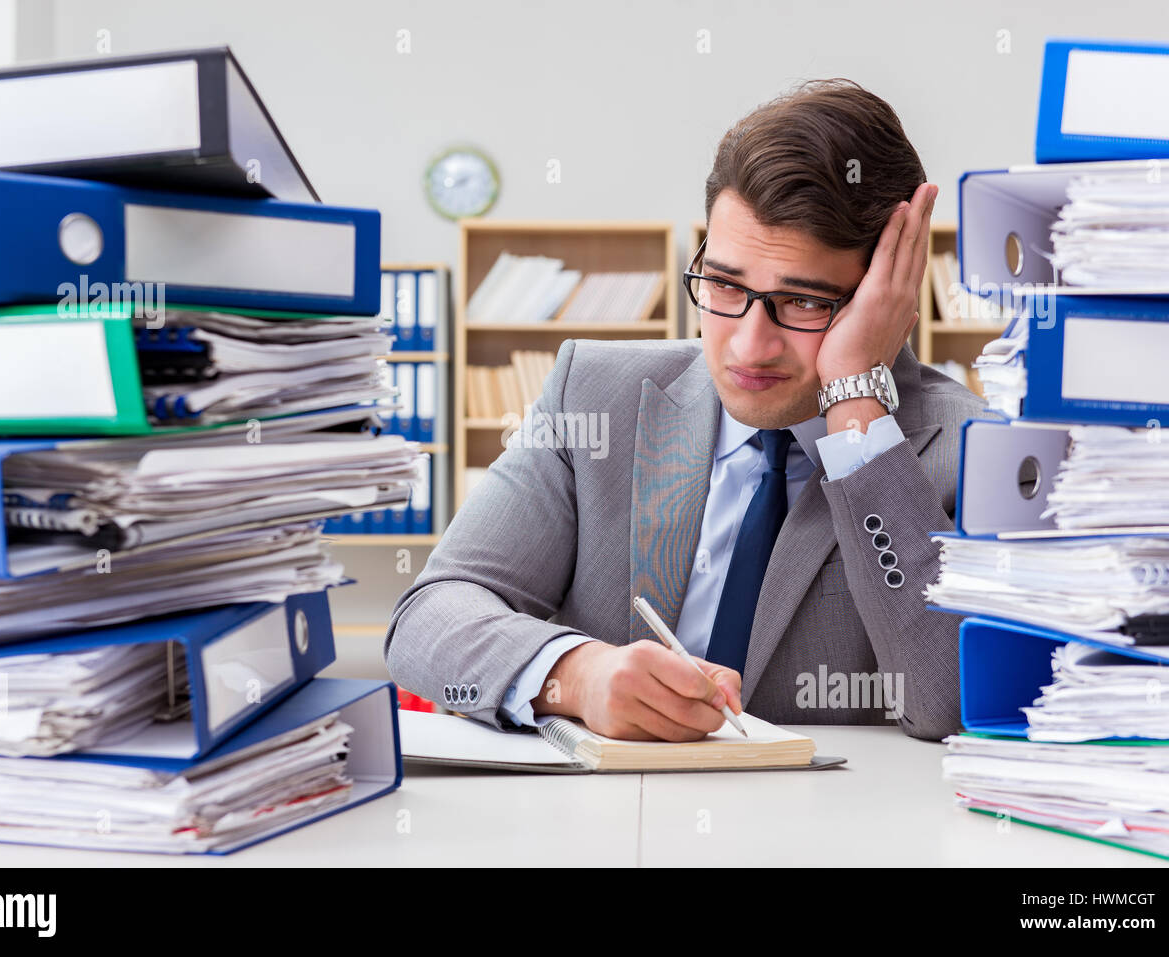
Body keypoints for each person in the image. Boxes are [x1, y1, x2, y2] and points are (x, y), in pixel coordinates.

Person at [386, 78, 984, 742]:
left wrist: (853, 399)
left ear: (887, 296)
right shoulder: (594, 393)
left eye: (806, 302)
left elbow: (948, 701)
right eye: (725, 284)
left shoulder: (970, 449)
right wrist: (575, 676)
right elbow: (424, 621)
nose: (751, 345)